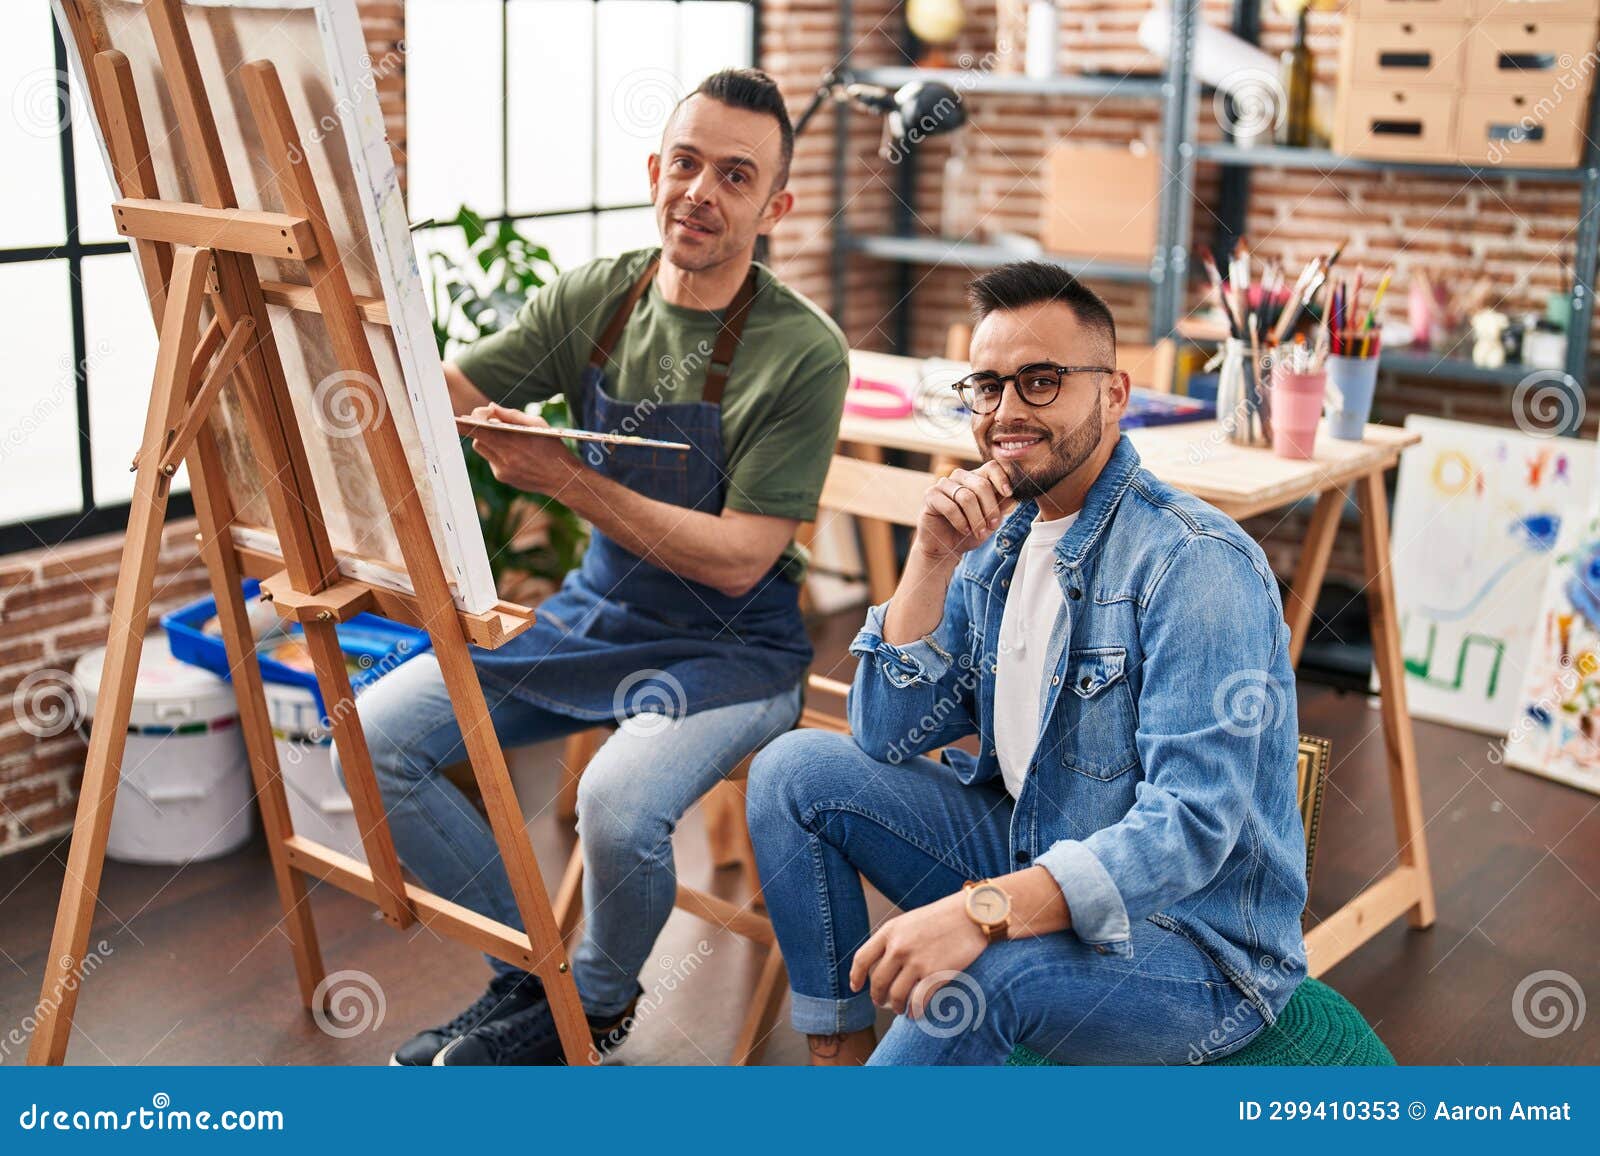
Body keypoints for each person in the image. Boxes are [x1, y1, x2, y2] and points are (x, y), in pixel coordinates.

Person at [337, 69, 849, 1066]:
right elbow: (458, 396)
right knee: (372, 736)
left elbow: (745, 561)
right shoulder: (599, 298)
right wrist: (371, 308)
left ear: (773, 206)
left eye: (736, 176)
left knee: (617, 804)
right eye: (687, 163)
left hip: (732, 651)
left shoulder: (801, 353)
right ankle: (532, 985)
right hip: (594, 617)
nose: (702, 191)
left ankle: (600, 1004)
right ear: (656, 170)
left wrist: (565, 479)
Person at [746, 261, 1309, 1065]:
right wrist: (930, 562)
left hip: (1193, 946)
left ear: (1114, 395)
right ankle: (839, 1058)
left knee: (978, 978)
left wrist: (982, 912)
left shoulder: (1195, 563)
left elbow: (1190, 829)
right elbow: (883, 734)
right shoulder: (996, 543)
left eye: (1041, 382)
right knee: (792, 769)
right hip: (1032, 847)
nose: (1007, 412)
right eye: (989, 386)